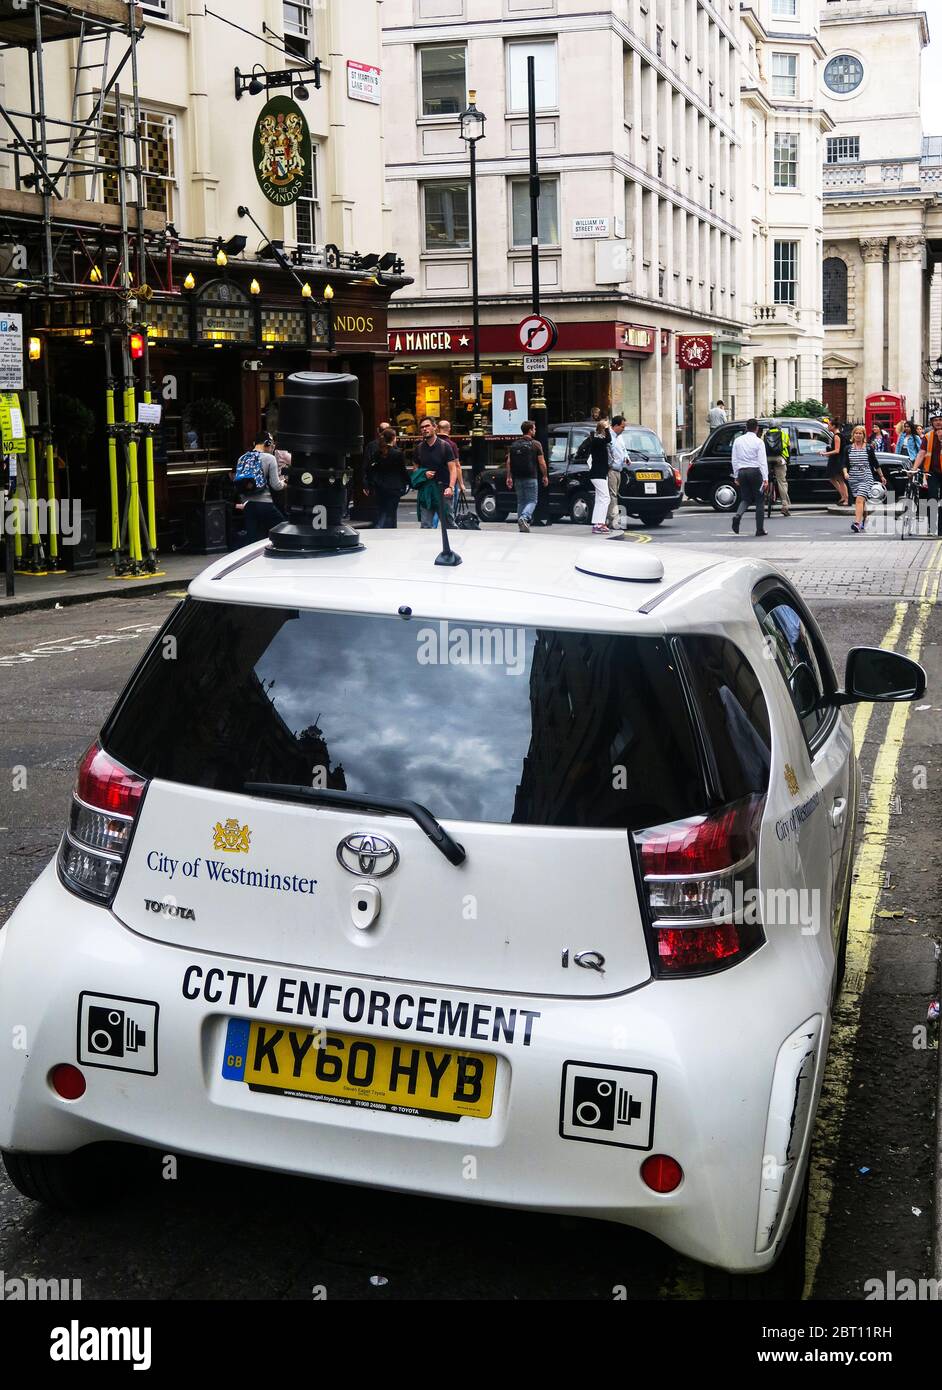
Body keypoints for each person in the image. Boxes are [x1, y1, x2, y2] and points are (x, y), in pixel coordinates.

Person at [232, 431, 285, 544]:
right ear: (267, 443)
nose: (273, 448)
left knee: (253, 540)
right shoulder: (270, 458)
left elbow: (239, 483)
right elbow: (276, 486)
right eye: (272, 445)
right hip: (265, 505)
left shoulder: (242, 458)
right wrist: (285, 482)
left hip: (248, 506)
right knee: (283, 531)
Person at [504, 420, 548, 533]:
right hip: (531, 476)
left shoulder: (514, 445)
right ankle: (524, 518)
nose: (535, 430)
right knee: (532, 500)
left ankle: (521, 524)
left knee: (521, 502)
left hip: (517, 477)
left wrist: (509, 477)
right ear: (530, 430)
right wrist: (545, 475)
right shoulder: (536, 444)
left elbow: (508, 462)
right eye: (534, 428)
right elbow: (542, 462)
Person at [414, 416, 456, 527]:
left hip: (443, 491)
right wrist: (423, 473)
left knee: (449, 525)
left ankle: (452, 544)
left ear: (435, 427)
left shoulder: (444, 446)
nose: (424, 429)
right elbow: (415, 469)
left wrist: (451, 487)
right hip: (426, 491)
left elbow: (453, 468)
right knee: (426, 525)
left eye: (427, 426)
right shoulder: (419, 448)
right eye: (422, 427)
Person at [846, 424, 888, 533]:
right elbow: (844, 463)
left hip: (866, 475)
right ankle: (864, 518)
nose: (858, 435)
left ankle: (857, 523)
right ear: (853, 435)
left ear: (863, 435)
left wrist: (882, 476)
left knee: (859, 498)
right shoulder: (848, 448)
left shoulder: (868, 447)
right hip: (853, 476)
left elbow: (875, 463)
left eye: (860, 433)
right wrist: (845, 473)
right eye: (856, 433)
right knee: (861, 502)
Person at [730, 420, 768, 536]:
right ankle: (759, 529)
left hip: (742, 472)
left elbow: (734, 459)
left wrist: (736, 475)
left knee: (746, 498)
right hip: (755, 472)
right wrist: (765, 478)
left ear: (746, 428)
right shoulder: (758, 442)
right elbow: (762, 461)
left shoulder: (738, 441)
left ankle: (738, 516)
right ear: (756, 429)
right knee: (759, 500)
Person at [368, 428, 410, 529]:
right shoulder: (398, 453)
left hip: (380, 485)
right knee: (391, 511)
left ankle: (380, 526)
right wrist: (409, 482)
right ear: (393, 438)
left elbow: (372, 469)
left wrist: (371, 483)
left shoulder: (378, 453)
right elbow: (402, 471)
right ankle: (387, 529)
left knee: (382, 509)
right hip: (394, 486)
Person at [912, 413, 942, 536]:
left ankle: (941, 530)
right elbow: (921, 453)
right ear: (931, 423)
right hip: (932, 473)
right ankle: (931, 526)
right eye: (935, 420)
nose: (938, 422)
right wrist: (914, 468)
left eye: (940, 420)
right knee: (932, 499)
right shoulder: (928, 437)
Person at [588, 417, 614, 534]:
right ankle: (600, 524)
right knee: (605, 498)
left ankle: (597, 523)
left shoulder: (597, 439)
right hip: (598, 474)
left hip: (598, 473)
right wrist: (607, 428)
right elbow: (608, 439)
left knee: (600, 499)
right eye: (607, 427)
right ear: (603, 429)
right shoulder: (598, 440)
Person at [763, 421, 791, 518]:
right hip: (780, 459)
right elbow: (788, 447)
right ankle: (784, 506)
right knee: (782, 481)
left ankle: (766, 497)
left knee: (765, 479)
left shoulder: (765, 434)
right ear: (779, 426)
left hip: (767, 459)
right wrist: (788, 460)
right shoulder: (784, 434)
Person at [607, 416, 628, 529]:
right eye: (622, 426)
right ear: (615, 426)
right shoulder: (609, 437)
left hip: (618, 470)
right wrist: (610, 465)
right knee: (612, 496)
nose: (623, 429)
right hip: (611, 470)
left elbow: (624, 450)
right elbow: (608, 453)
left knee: (614, 495)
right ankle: (613, 520)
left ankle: (611, 519)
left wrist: (626, 457)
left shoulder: (620, 437)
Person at [824, 417, 850, 506]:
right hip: (835, 459)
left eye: (829, 425)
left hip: (837, 460)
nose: (827, 427)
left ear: (834, 426)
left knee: (840, 480)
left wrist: (825, 453)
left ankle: (846, 499)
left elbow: (837, 450)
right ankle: (843, 496)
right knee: (832, 478)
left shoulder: (837, 436)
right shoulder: (838, 435)